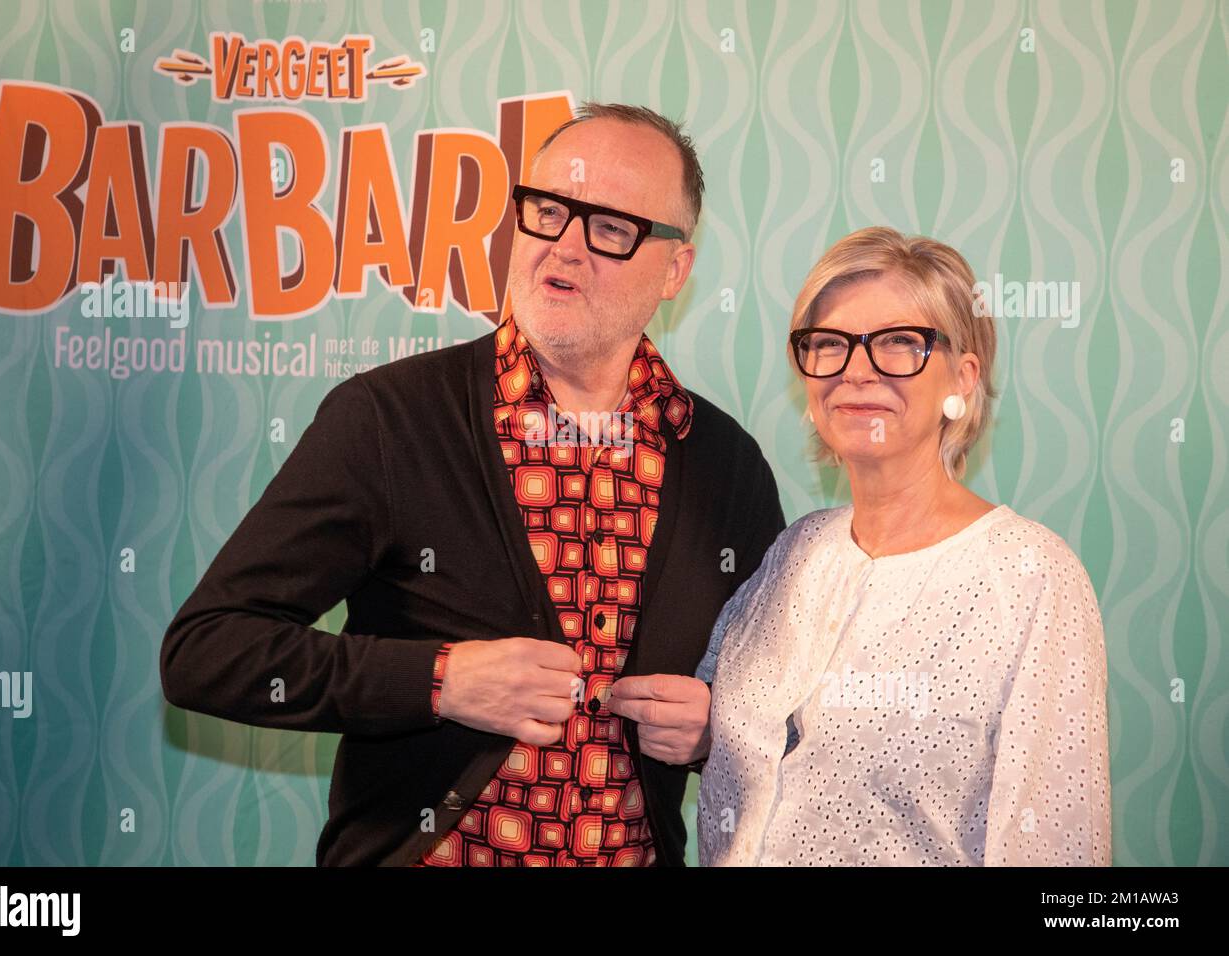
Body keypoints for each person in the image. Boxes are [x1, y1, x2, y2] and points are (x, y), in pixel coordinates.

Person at [160, 102, 785, 866]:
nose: (566, 247)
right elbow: (207, 652)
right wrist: (438, 680)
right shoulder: (391, 420)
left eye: (611, 228)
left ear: (674, 269)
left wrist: (712, 732)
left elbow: (775, 715)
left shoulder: (724, 465)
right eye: (549, 210)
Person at [695, 226, 1111, 866]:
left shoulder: (1032, 576)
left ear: (964, 377)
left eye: (898, 343)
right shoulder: (794, 553)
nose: (856, 370)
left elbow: (1053, 846)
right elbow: (718, 725)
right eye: (829, 344)